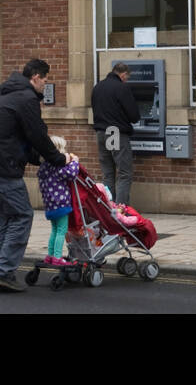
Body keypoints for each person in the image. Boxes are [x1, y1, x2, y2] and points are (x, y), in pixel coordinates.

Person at [0, 58, 68, 292]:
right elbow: (37, 135)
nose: (46, 84)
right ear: (35, 77)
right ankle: (4, 272)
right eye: (45, 79)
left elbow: (18, 138)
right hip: (4, 170)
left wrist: (37, 158)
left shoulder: (9, 95)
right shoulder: (26, 98)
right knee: (23, 215)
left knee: (4, 219)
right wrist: (58, 159)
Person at [91, 61, 138, 204]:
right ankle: (121, 209)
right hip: (115, 133)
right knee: (124, 173)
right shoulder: (121, 88)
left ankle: (108, 208)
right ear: (123, 74)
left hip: (101, 133)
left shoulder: (97, 87)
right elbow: (134, 116)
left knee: (108, 173)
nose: (126, 80)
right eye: (126, 77)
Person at [37, 136, 81, 267]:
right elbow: (72, 173)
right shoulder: (57, 167)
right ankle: (57, 256)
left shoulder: (44, 168)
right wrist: (75, 162)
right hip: (61, 205)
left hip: (50, 206)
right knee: (62, 230)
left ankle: (50, 255)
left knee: (54, 230)